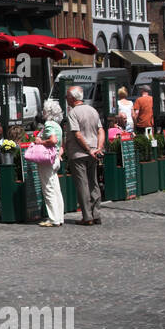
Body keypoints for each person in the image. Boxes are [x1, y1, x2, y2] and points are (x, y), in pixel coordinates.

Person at [65, 85, 105, 226]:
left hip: (79, 153)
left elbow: (77, 134)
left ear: (73, 98)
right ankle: (96, 214)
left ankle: (87, 216)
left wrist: (88, 149)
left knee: (83, 184)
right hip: (93, 152)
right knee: (93, 182)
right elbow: (101, 130)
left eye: (67, 96)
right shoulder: (92, 110)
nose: (66, 99)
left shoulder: (73, 113)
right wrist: (98, 148)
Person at [36, 99, 66, 228]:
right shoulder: (57, 125)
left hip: (47, 160)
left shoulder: (49, 124)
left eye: (44, 109)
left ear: (47, 112)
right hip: (56, 159)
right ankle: (59, 217)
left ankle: (53, 218)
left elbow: (52, 140)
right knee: (56, 189)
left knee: (48, 189)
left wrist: (40, 142)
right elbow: (59, 142)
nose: (42, 111)